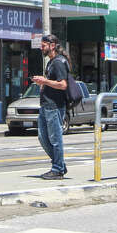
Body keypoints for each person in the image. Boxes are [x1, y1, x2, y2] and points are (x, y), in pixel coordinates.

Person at [31, 34, 69, 180]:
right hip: (46, 105)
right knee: (42, 137)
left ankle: (58, 169)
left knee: (55, 138)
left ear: (52, 45)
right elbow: (51, 82)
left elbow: (63, 84)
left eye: (44, 45)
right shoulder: (51, 62)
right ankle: (60, 164)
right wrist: (42, 83)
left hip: (54, 106)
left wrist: (45, 81)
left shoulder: (59, 62)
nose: (41, 48)